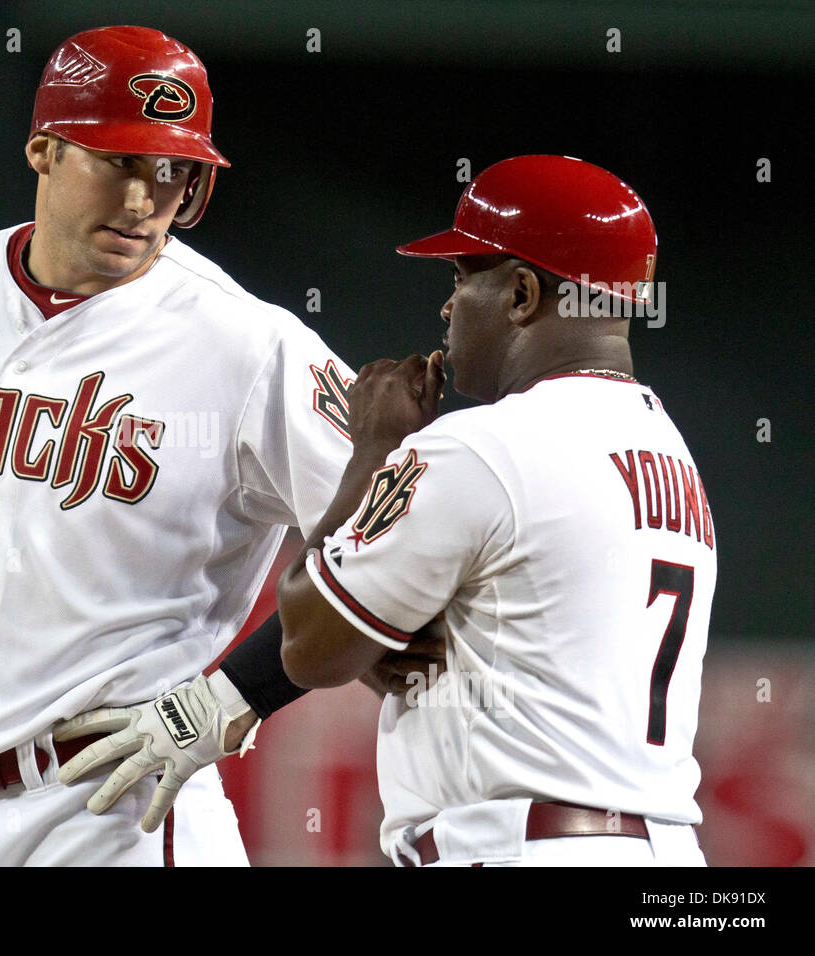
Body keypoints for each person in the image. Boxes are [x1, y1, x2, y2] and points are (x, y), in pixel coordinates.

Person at [0, 25, 416, 866]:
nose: (148, 199)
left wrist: (233, 697)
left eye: (174, 170)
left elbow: (407, 533)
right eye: (122, 162)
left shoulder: (247, 343)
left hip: (115, 814)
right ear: (44, 151)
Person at [278, 155, 716, 867]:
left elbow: (309, 645)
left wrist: (374, 452)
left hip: (526, 847)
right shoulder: (673, 456)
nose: (449, 307)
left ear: (520, 294)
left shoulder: (485, 445)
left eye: (462, 277)